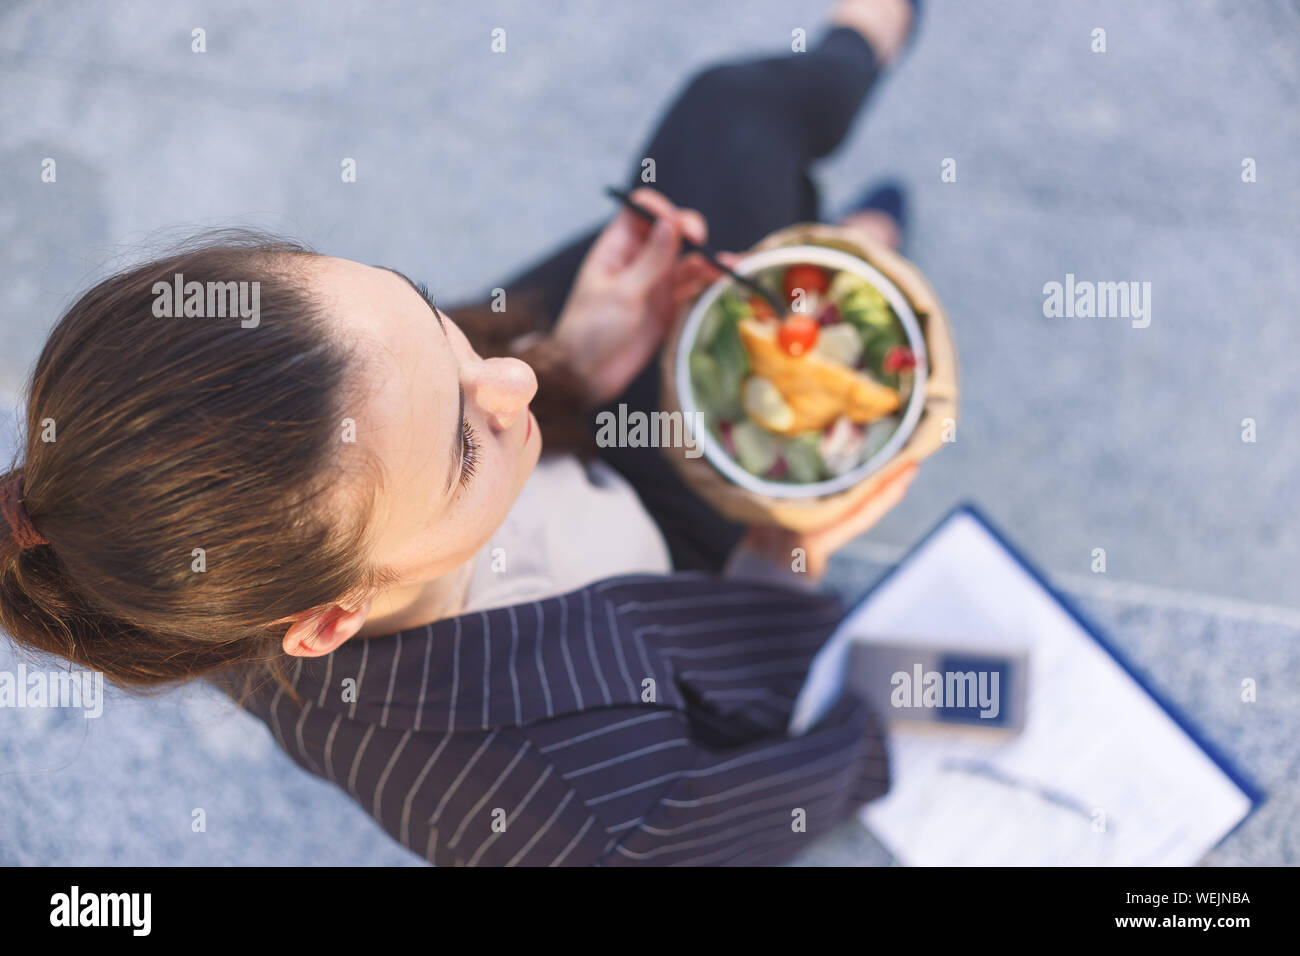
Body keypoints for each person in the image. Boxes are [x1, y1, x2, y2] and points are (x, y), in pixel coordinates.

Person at [0, 0, 920, 866]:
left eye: (417, 299)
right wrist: (785, 549)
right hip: (687, 581)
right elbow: (770, 766)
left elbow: (488, 382)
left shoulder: (236, 542)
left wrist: (569, 359)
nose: (505, 375)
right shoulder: (566, 812)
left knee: (731, 123)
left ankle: (845, 127)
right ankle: (838, 238)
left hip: (575, 453)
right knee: (764, 226)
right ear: (329, 619)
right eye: (460, 452)